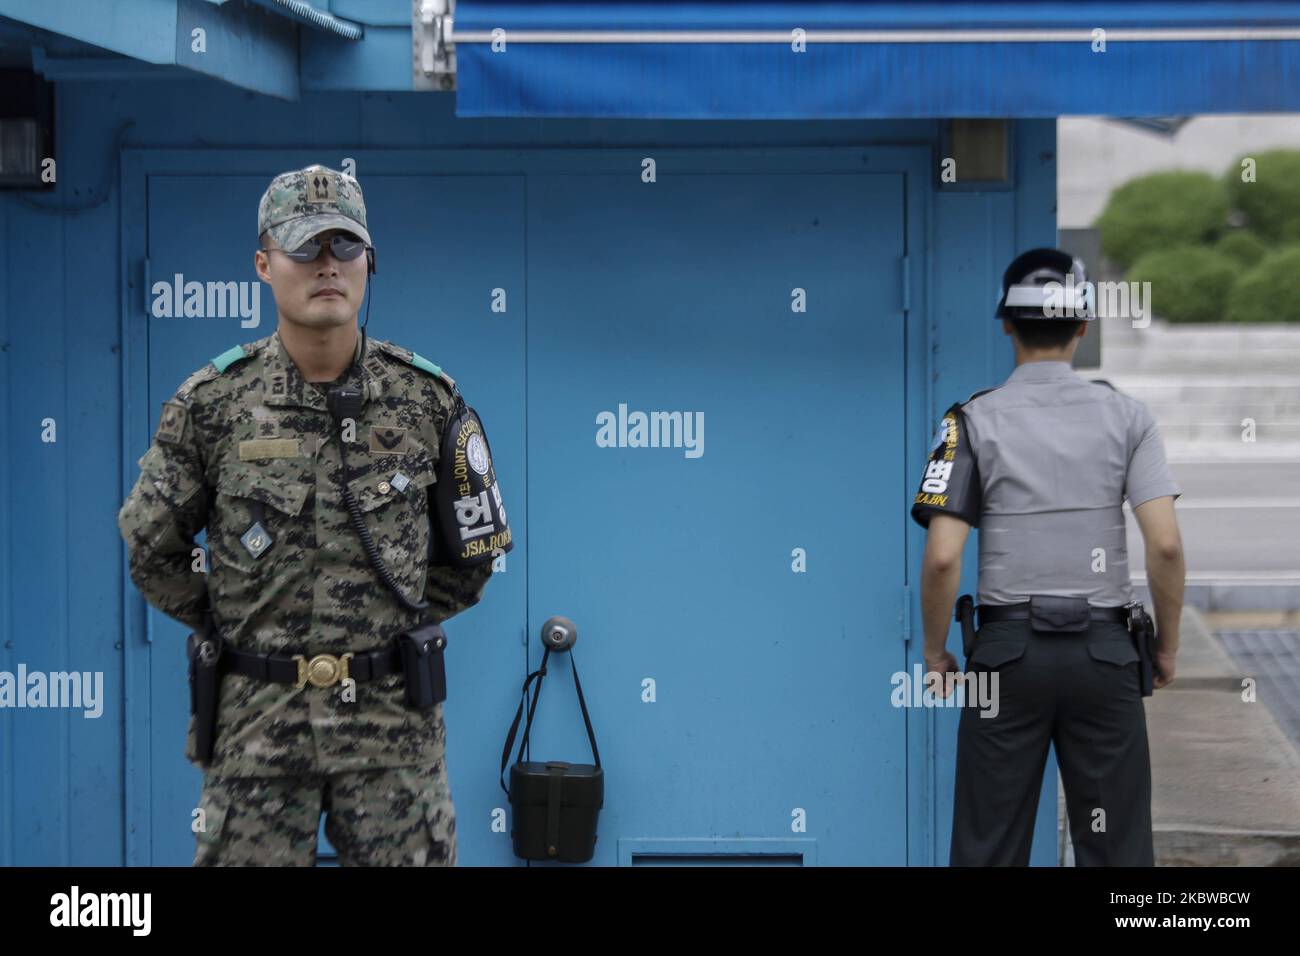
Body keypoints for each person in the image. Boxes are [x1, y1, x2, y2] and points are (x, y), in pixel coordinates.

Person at [117, 164, 510, 866]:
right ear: (264, 265)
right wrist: (239, 625)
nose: (327, 265)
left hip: (393, 735)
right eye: (305, 249)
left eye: (344, 247)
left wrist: (393, 629)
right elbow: (152, 549)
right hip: (258, 733)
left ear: (369, 261)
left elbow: (475, 554)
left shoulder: (426, 401)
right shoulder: (211, 406)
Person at [910, 248, 1185, 866]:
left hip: (1003, 661)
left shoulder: (967, 422)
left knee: (989, 846)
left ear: (1005, 323)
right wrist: (1164, 646)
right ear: (1083, 326)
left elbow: (942, 557)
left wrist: (935, 654)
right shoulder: (1130, 418)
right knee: (1117, 853)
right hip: (1106, 653)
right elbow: (1165, 543)